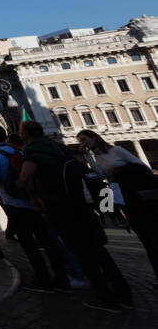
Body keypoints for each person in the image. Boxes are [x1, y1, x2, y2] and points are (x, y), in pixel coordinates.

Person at [20, 120, 132, 312]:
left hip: (61, 206)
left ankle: (105, 297)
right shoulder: (58, 146)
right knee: (98, 250)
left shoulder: (33, 149)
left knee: (82, 251)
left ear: (26, 134)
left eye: (22, 131)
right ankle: (124, 292)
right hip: (81, 203)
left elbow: (25, 176)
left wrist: (33, 196)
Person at [0, 124, 70, 291]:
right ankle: (61, 276)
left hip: (13, 203)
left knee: (28, 243)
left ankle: (42, 277)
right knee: (46, 240)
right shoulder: (19, 151)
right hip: (31, 200)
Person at [79, 129, 158, 286]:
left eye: (84, 139)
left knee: (154, 236)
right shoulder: (97, 157)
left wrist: (119, 170)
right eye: (80, 140)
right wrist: (87, 157)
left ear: (94, 137)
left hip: (140, 196)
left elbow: (142, 167)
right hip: (126, 198)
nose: (82, 142)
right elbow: (101, 176)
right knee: (146, 240)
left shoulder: (117, 150)